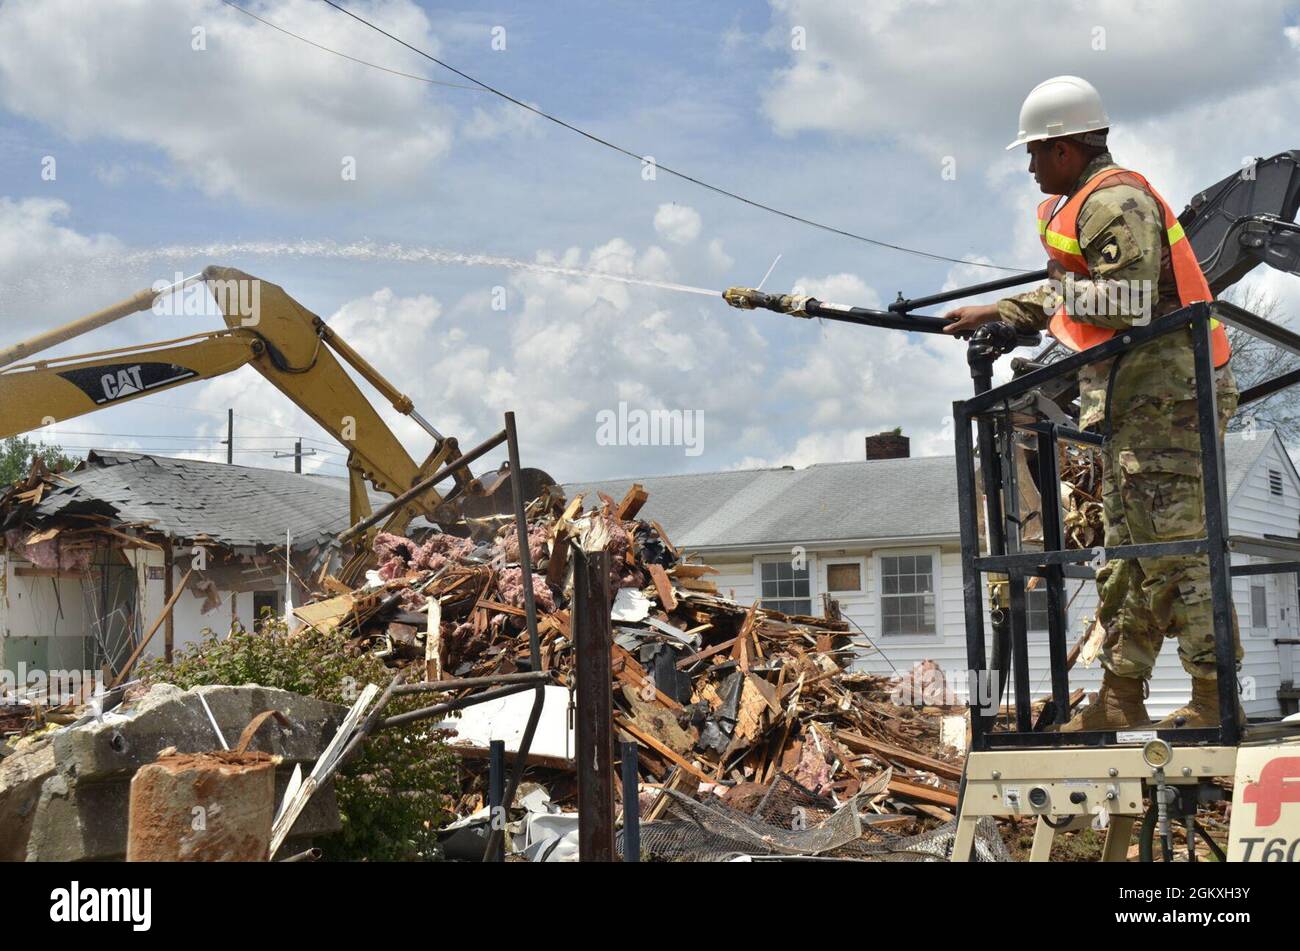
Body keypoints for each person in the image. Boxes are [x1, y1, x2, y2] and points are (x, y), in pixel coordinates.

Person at [943, 75, 1241, 730]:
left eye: (1034, 152)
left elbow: (1128, 302)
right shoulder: (1077, 207)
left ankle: (1216, 693)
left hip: (1174, 398)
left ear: (1067, 149)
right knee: (1130, 554)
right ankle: (1119, 696)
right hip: (1140, 402)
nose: (1027, 165)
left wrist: (1035, 305)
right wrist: (997, 315)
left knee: (1179, 545)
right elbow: (1069, 297)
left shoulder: (1115, 201)